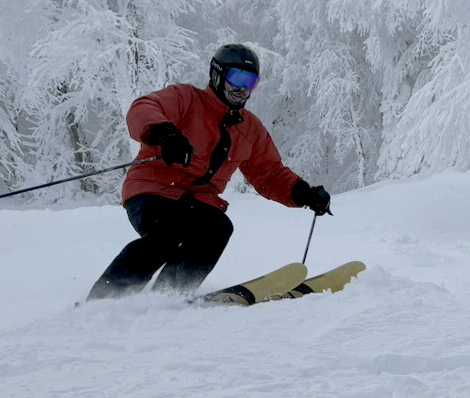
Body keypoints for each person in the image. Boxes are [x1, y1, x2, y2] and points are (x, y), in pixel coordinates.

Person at [88, 44, 331, 299]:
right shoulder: (187, 99)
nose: (242, 89)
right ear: (217, 74)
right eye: (237, 78)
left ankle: (170, 295)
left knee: (217, 227)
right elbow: (144, 108)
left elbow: (269, 173)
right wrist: (164, 133)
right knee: (168, 233)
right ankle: (105, 297)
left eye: (250, 82)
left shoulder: (250, 129)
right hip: (152, 190)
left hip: (195, 202)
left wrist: (304, 194)